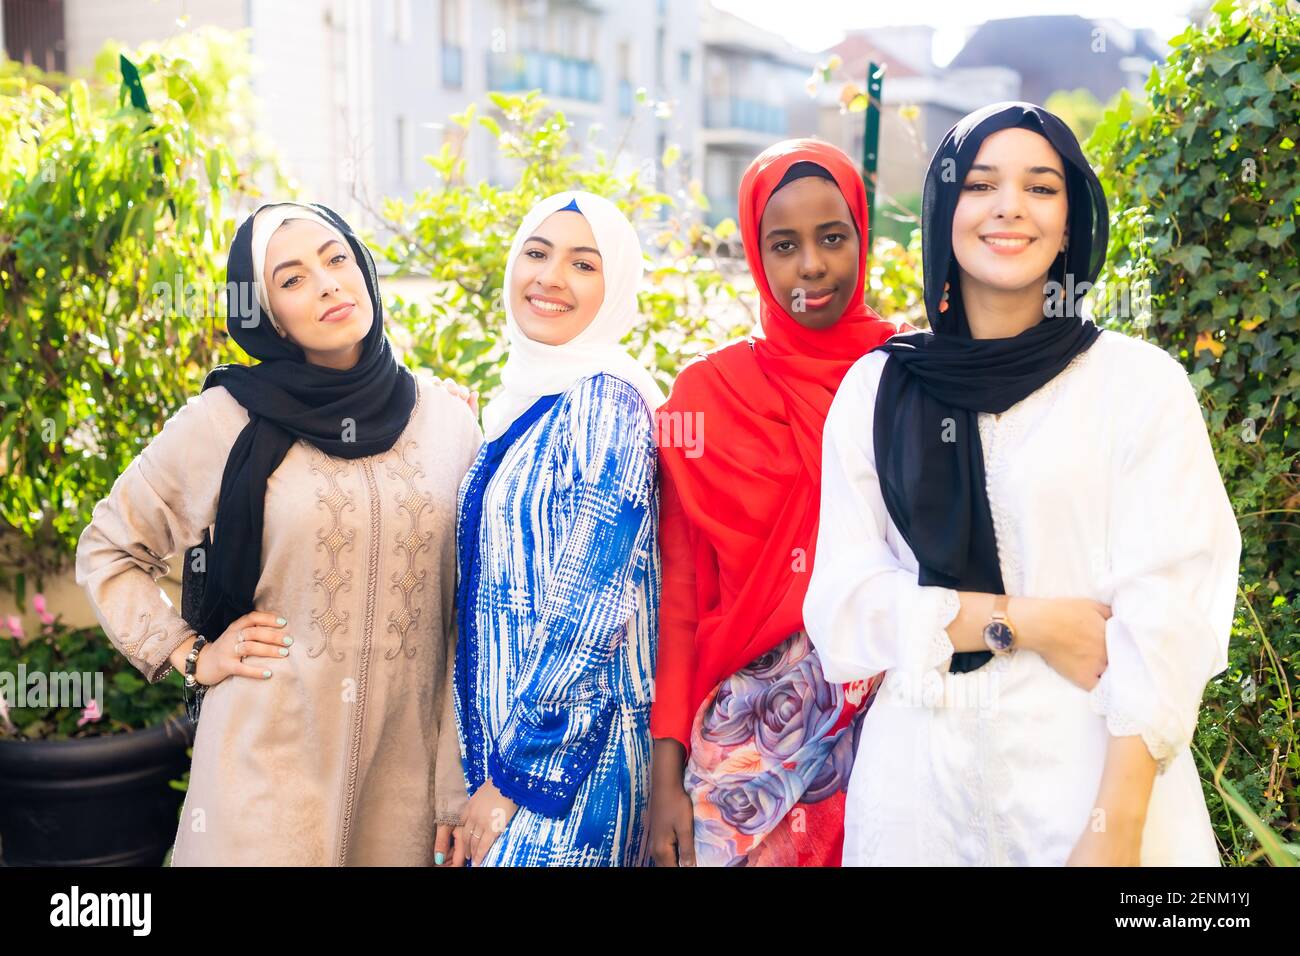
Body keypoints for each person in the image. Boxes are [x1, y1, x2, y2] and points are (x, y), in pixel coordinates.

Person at [805, 102, 1242, 866]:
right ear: (945, 212)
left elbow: (1170, 614)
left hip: (1089, 788)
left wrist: (1117, 831)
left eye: (1041, 188)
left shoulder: (1137, 385)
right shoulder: (879, 388)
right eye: (980, 185)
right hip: (918, 801)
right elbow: (845, 611)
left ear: (1071, 220)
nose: (1009, 206)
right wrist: (1024, 622)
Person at [75, 202, 480, 865]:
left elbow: (465, 616)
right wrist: (190, 655)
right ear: (268, 317)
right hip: (262, 781)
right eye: (291, 279)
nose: (326, 284)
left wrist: (452, 787)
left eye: (337, 259)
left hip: (402, 792)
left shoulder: (446, 423)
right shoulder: (224, 421)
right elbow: (109, 550)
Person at [648, 140, 903, 866]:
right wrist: (664, 780)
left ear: (863, 236)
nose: (812, 267)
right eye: (783, 245)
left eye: (833, 237)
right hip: (740, 750)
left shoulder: (908, 378)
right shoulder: (706, 396)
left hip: (887, 725)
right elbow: (682, 595)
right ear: (756, 255)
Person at [449, 191, 664, 866]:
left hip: (571, 776)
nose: (549, 277)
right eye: (537, 253)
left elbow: (590, 610)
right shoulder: (531, 400)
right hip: (515, 767)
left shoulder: (606, 403)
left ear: (617, 286)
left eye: (583, 264)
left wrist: (511, 780)